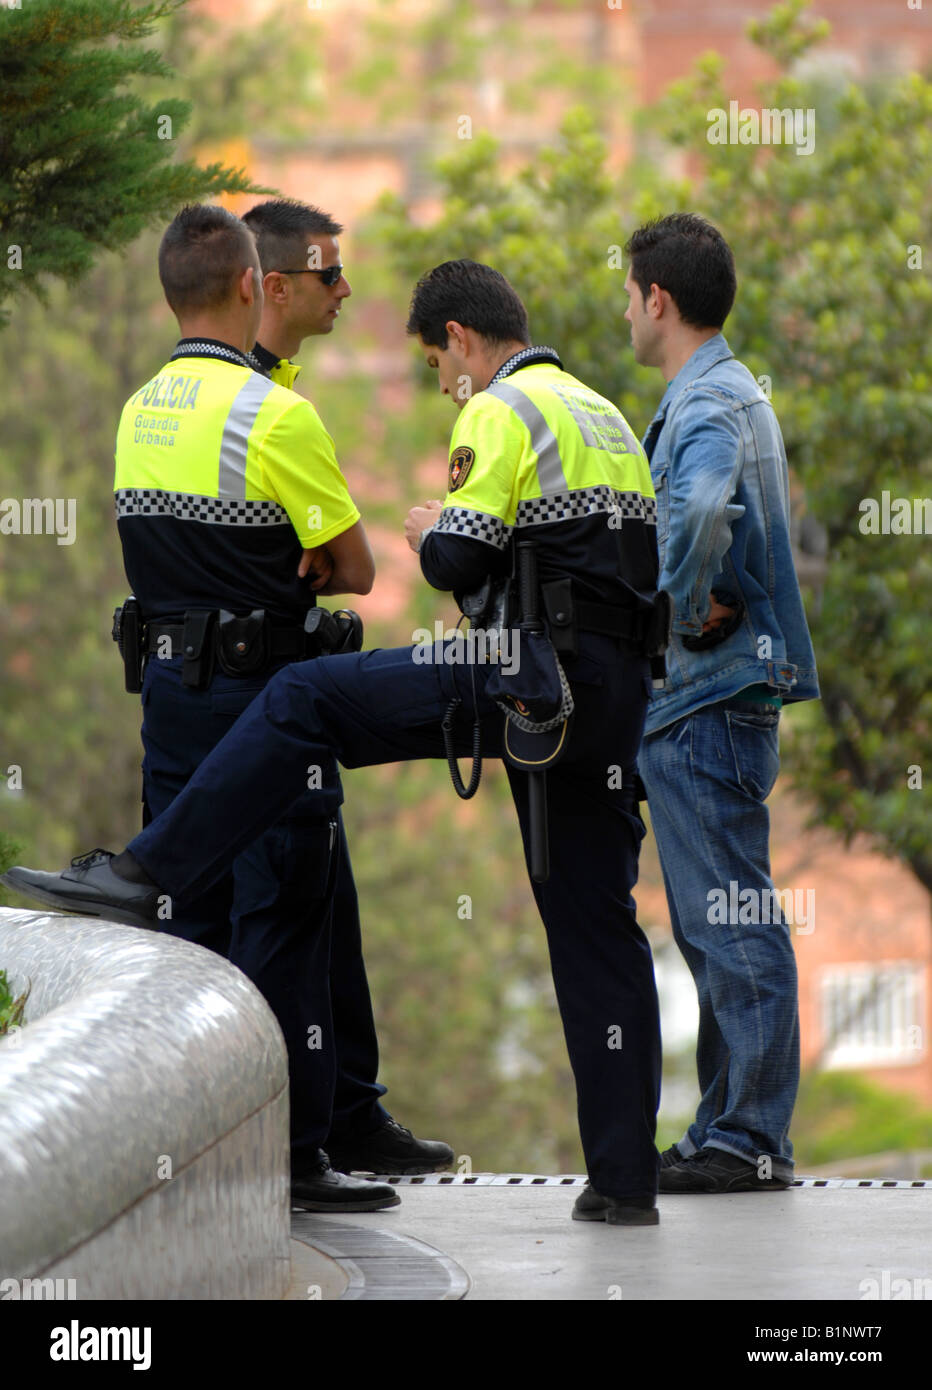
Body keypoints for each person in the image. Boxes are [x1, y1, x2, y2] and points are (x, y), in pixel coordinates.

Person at [4, 259, 666, 1226]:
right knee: (598, 923)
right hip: (612, 699)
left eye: (441, 365)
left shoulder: (501, 409)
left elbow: (459, 560)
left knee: (304, 696)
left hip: (526, 676)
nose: (446, 384)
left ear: (463, 341)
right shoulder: (603, 414)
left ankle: (146, 873)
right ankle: (623, 1184)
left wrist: (432, 528)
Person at [240, 198, 453, 1181]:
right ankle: (301, 1139)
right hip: (257, 695)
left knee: (328, 898)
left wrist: (313, 567)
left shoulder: (269, 387)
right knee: (284, 904)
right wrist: (313, 566)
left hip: (285, 686)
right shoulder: (264, 407)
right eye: (329, 275)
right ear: (273, 284)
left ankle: (352, 1113)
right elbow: (357, 566)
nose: (348, 289)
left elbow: (336, 567)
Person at [622, 213, 819, 1194]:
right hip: (713, 699)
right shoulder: (728, 394)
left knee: (730, 920)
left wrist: (680, 606)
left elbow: (699, 510)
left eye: (627, 295)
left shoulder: (707, 404)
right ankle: (723, 1131)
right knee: (710, 925)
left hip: (705, 699)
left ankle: (746, 1136)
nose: (625, 311)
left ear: (655, 298)